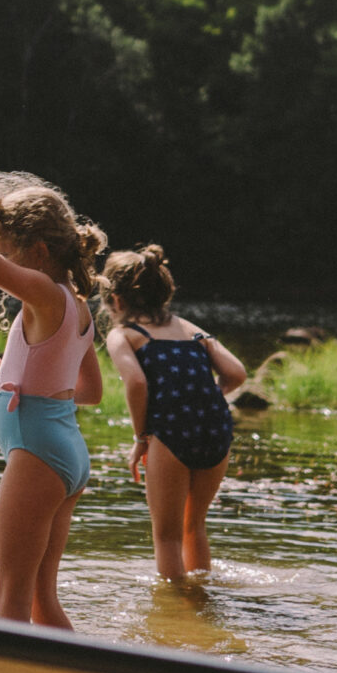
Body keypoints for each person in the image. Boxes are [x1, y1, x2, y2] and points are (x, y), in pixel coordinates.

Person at [0, 172, 106, 629]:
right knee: (43, 601)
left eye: (12, 254)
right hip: (66, 452)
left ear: (38, 252)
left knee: (11, 601)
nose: (5, 263)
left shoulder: (45, 294)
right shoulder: (77, 306)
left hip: (39, 456)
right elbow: (89, 391)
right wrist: (9, 381)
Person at [102, 243, 245, 584]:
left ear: (117, 301)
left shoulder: (124, 335)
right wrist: (202, 399)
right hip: (216, 427)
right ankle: (202, 598)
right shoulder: (190, 328)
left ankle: (176, 615)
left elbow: (136, 383)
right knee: (193, 526)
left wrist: (140, 438)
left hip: (170, 431)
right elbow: (237, 373)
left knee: (166, 536)